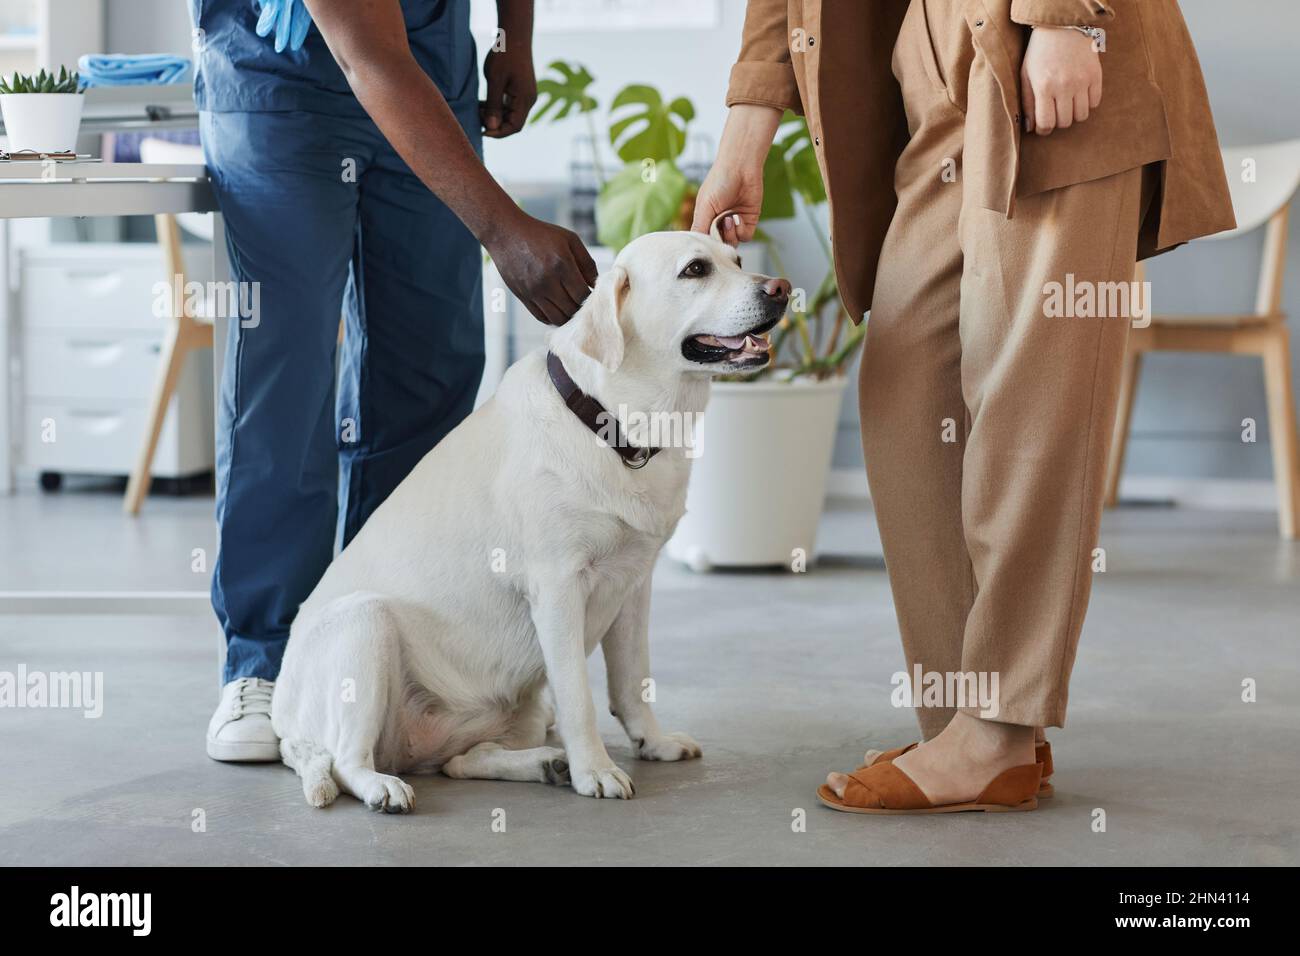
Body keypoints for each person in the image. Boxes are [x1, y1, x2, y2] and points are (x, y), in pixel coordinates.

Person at [695, 0, 1235, 812]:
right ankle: (967, 720)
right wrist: (747, 126)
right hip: (925, 51)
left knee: (1032, 397)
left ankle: (998, 728)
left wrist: (1064, 19)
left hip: (1042, 36)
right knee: (907, 394)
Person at [194, 0, 597, 761]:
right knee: (287, 377)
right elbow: (369, 57)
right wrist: (504, 230)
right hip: (289, 79)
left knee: (431, 363)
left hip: (430, 61)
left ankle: (408, 667)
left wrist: (515, 36)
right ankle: (268, 662)